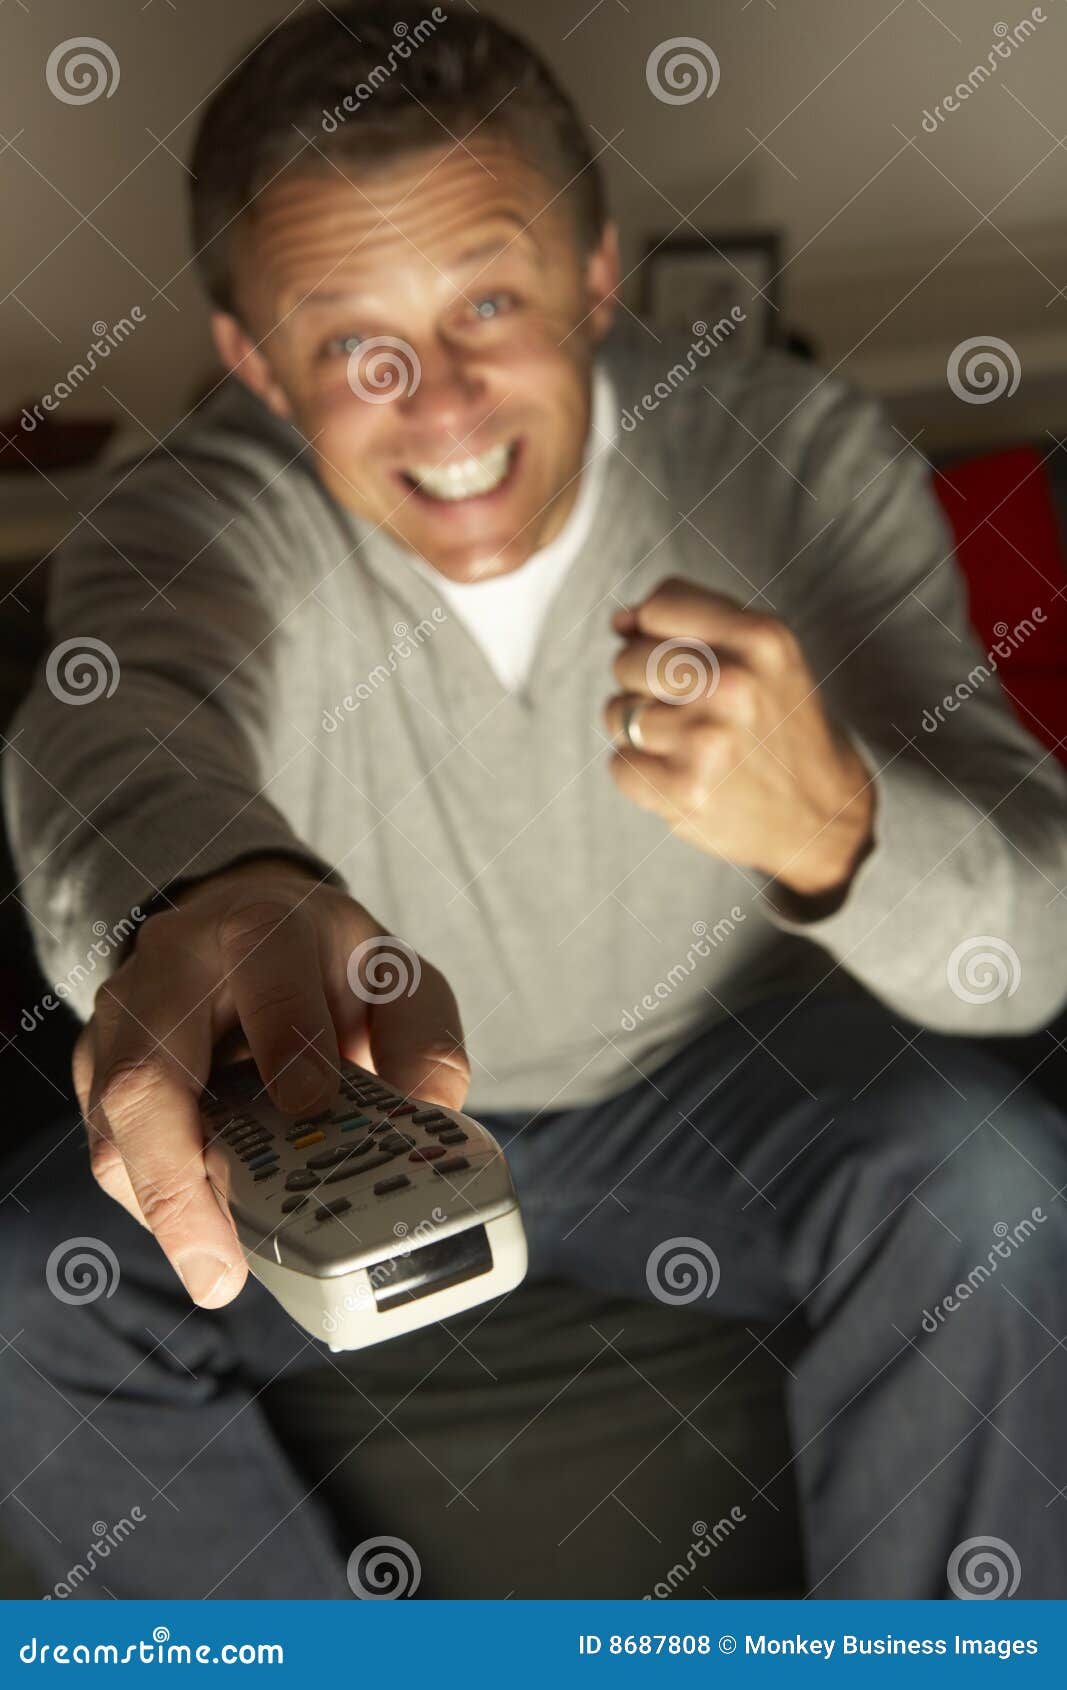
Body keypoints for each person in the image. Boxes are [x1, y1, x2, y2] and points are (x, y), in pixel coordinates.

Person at [3, 2, 1067, 1600]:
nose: (440, 403)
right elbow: (128, 721)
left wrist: (843, 832)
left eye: (490, 297)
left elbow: (1038, 944)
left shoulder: (798, 453)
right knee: (23, 1287)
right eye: (350, 335)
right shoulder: (198, 511)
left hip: (721, 1094)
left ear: (594, 278)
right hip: (334, 1129)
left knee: (991, 1180)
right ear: (252, 361)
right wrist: (208, 889)